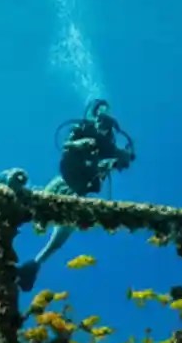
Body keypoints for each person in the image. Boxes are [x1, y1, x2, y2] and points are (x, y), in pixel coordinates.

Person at [16, 99, 136, 292]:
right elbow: (66, 146)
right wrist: (79, 144)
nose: (102, 124)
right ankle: (23, 219)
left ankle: (34, 265)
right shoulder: (82, 129)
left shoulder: (109, 145)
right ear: (94, 117)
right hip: (65, 180)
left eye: (106, 121)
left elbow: (122, 159)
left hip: (81, 192)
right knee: (41, 210)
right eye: (99, 118)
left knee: (64, 228)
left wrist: (122, 158)